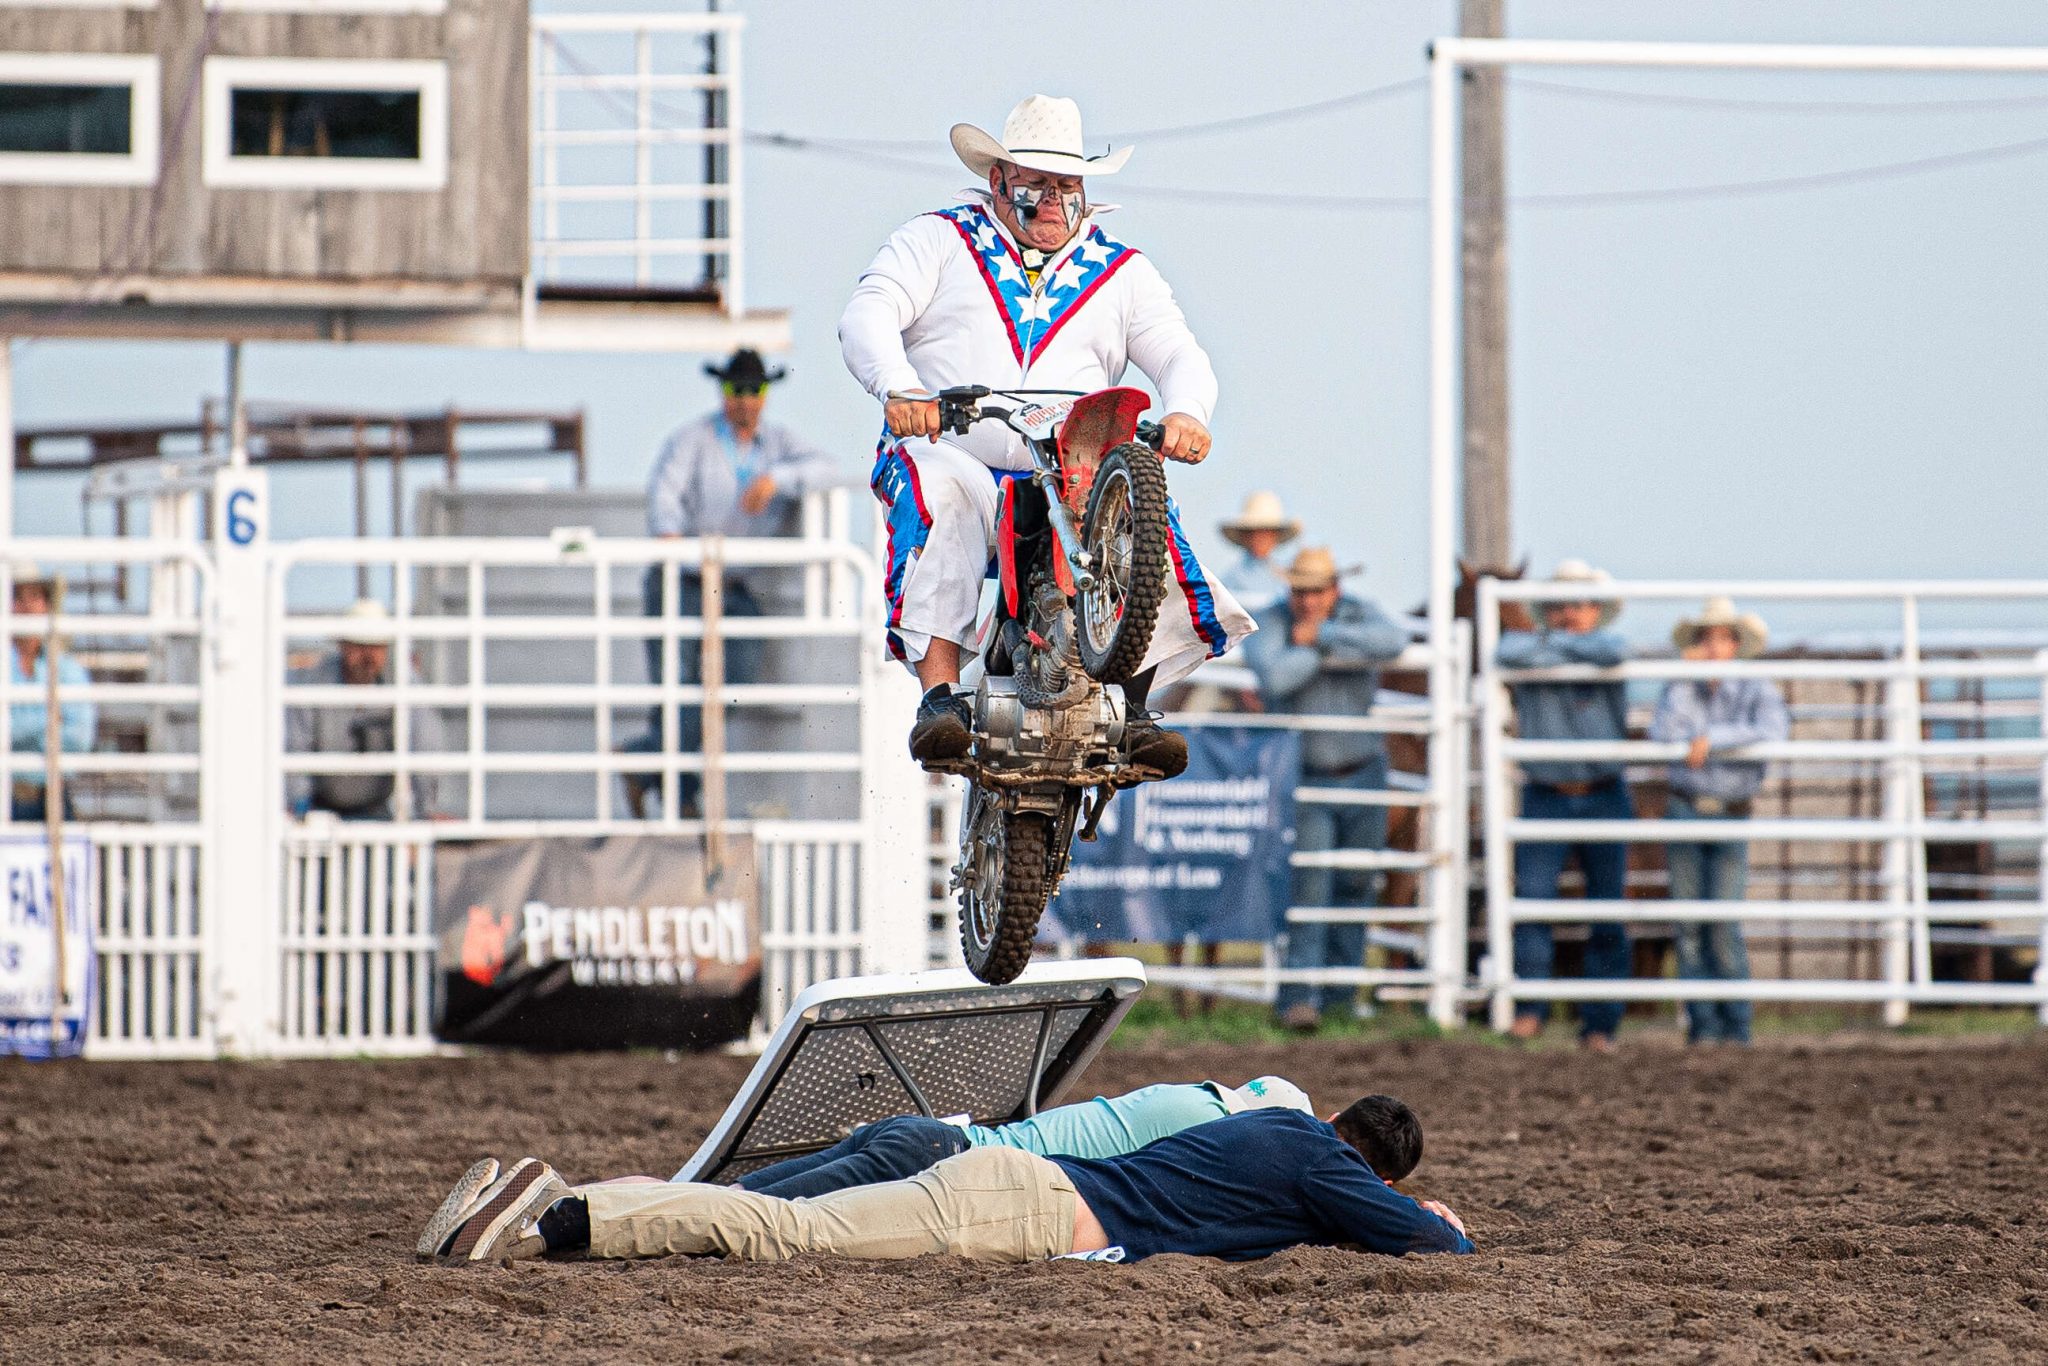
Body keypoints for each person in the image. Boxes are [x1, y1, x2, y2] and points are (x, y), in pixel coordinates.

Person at [839, 94, 1255, 780]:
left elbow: (1181, 354)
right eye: (1038, 184)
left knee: (1139, 506)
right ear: (999, 180)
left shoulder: (1122, 271)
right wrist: (899, 388)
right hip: (954, 444)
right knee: (937, 488)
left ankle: (1133, 705)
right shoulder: (937, 239)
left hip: (1069, 459)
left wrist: (1187, 411)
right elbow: (871, 309)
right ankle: (939, 698)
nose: (1055, 202)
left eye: (1069, 185)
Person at [420, 1094, 1472, 1266]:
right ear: (1367, 1164)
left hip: (1005, 1169)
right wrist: (1436, 1220)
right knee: (784, 1233)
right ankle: (551, 1221)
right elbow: (1431, 1247)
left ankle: (553, 1203)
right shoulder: (1322, 1170)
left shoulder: (1269, 1124)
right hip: (1019, 1205)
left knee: (780, 1212)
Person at [633, 348, 841, 817]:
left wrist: (778, 480)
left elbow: (828, 469)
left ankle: (646, 765)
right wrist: (671, 539)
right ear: (722, 392)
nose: (745, 400)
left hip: (733, 587)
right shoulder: (692, 439)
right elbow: (664, 495)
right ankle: (680, 792)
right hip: (684, 579)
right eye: (736, 390)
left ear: (765, 395)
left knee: (737, 676)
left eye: (753, 390)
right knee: (678, 683)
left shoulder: (779, 445)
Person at [1245, 547, 1412, 1033]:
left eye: (1315, 591)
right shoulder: (1272, 618)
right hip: (1308, 773)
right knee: (1312, 887)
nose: (1307, 600)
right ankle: (1302, 997)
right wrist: (1331, 649)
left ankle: (1338, 996)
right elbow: (1273, 675)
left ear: (1334, 589)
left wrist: (1319, 639)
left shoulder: (1344, 616)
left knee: (1356, 884)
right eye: (1300, 590)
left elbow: (1395, 641)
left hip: (1362, 770)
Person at [715, 1076, 1319, 1200]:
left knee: (728, 1197)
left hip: (929, 1136)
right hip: (942, 1161)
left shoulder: (1183, 1098)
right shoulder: (1209, 1133)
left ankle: (632, 1194)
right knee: (748, 1215)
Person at [1496, 558, 1633, 1051]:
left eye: (1581, 604)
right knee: (1533, 902)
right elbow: (1506, 651)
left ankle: (1600, 1023)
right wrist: (1562, 645)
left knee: (1607, 909)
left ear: (1597, 610)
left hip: (1600, 789)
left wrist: (1551, 644)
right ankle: (1532, 1007)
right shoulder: (1534, 649)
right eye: (1563, 605)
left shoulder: (1591, 648)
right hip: (1550, 792)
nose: (1572, 613)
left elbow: (1613, 650)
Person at [1650, 597, 1788, 1046]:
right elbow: (1662, 733)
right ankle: (1705, 1026)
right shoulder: (1680, 686)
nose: (1714, 647)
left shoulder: (1756, 687)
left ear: (1735, 645)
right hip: (1687, 805)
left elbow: (1773, 731)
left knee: (1722, 920)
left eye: (1722, 638)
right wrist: (1706, 738)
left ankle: (1734, 1026)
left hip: (1727, 809)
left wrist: (1711, 740)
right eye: (1705, 638)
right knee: (1690, 923)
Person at [285, 600, 453, 821]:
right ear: (342, 645)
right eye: (358, 645)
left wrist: (425, 811)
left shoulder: (401, 681)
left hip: (377, 811)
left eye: (376, 646)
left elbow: (424, 742)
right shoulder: (315, 683)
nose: (367, 656)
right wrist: (300, 810)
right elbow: (296, 746)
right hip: (319, 812)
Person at [6, 561, 94, 823]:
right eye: (17, 597)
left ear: (46, 605)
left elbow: (80, 738)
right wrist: (51, 721)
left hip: (54, 795)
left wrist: (18, 735)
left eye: (35, 596)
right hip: (7, 794)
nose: (27, 607)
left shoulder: (66, 669)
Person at [1217, 491, 1300, 614]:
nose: (1260, 539)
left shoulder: (1291, 576)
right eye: (1254, 532)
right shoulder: (1230, 580)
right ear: (1244, 536)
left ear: (1275, 535)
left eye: (1266, 532)